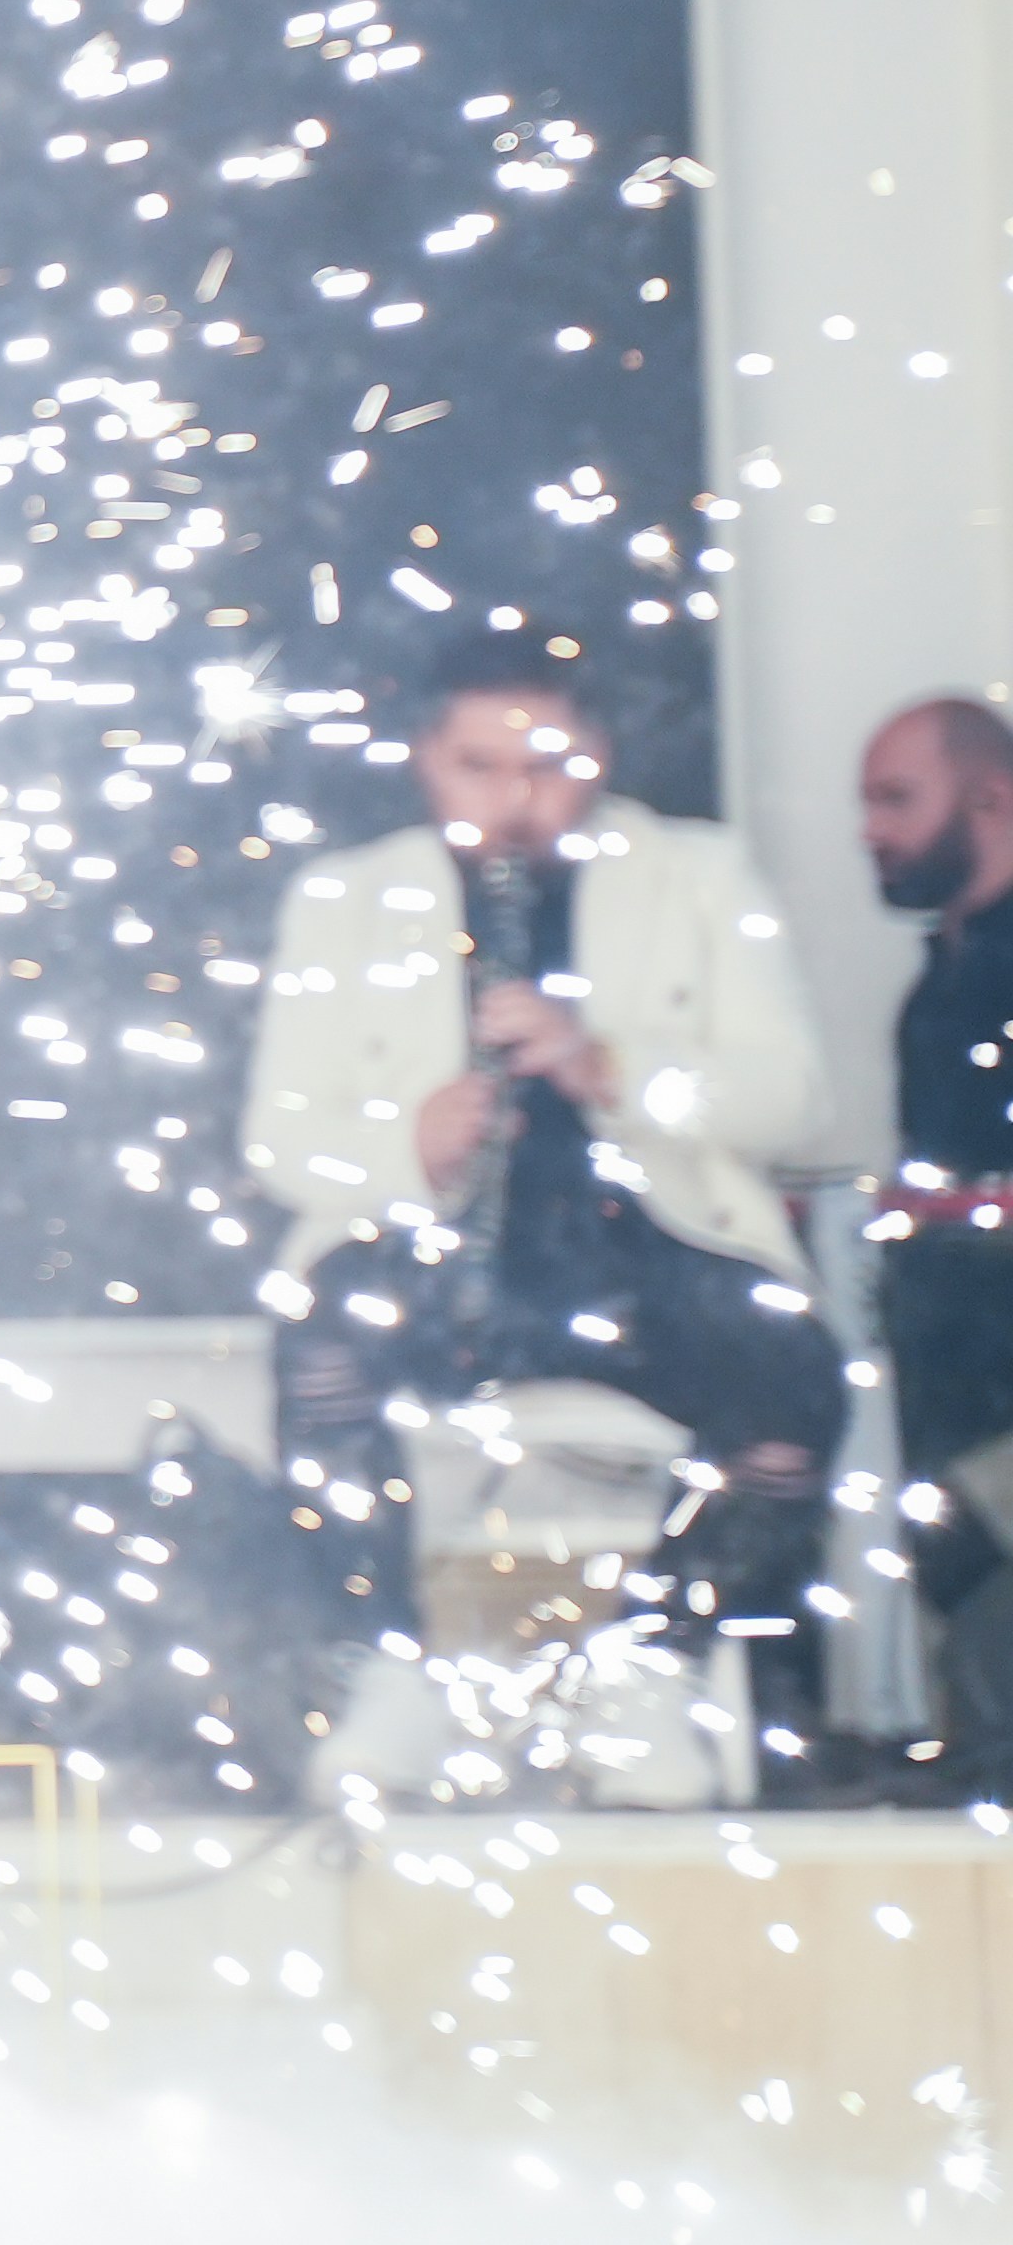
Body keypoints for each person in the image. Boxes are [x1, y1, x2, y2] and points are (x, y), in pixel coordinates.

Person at [240, 654, 841, 1780]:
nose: (515, 799)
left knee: (796, 1376)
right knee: (323, 1346)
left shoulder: (697, 873)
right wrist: (409, 1142)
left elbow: (796, 1099)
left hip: (653, 1246)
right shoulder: (349, 897)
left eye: (549, 767)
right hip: (427, 1241)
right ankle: (390, 1668)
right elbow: (278, 1137)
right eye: (480, 767)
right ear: (427, 763)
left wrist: (610, 1062)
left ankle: (657, 1666)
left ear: (599, 759)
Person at [853, 691, 1013, 1766]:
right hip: (949, 1319)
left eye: (896, 798)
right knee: (949, 1534)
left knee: (975, 1514)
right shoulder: (934, 985)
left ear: (992, 796)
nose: (870, 827)